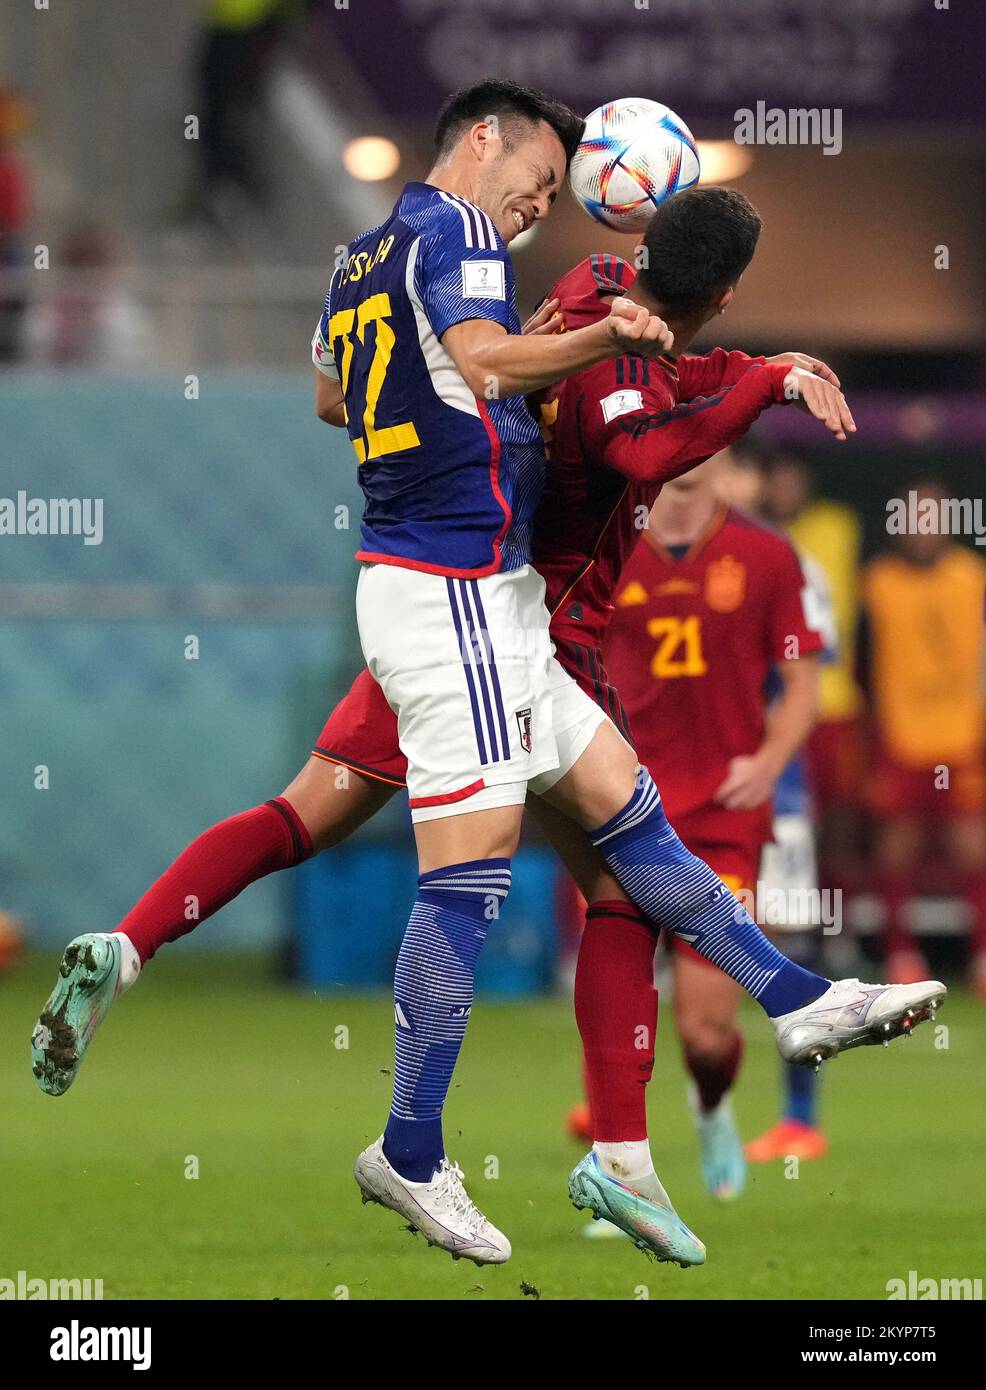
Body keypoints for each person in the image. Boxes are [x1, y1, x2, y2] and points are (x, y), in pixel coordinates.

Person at [33, 95, 939, 1268]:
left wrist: (487, 389)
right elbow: (491, 363)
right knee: (468, 878)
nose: (542, 201)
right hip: (454, 586)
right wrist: (580, 352)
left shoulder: (367, 256)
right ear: (477, 140)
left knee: (612, 805)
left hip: (483, 599)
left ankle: (791, 1001)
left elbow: (333, 393)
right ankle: (414, 1151)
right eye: (541, 172)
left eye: (564, 186)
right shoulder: (464, 240)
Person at [860, 478, 986, 992]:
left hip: (962, 737)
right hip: (899, 735)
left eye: (933, 517)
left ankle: (981, 956)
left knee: (971, 848)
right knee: (895, 849)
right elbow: (860, 661)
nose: (923, 528)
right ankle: (900, 955)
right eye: (915, 517)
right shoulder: (878, 582)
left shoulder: (972, 577)